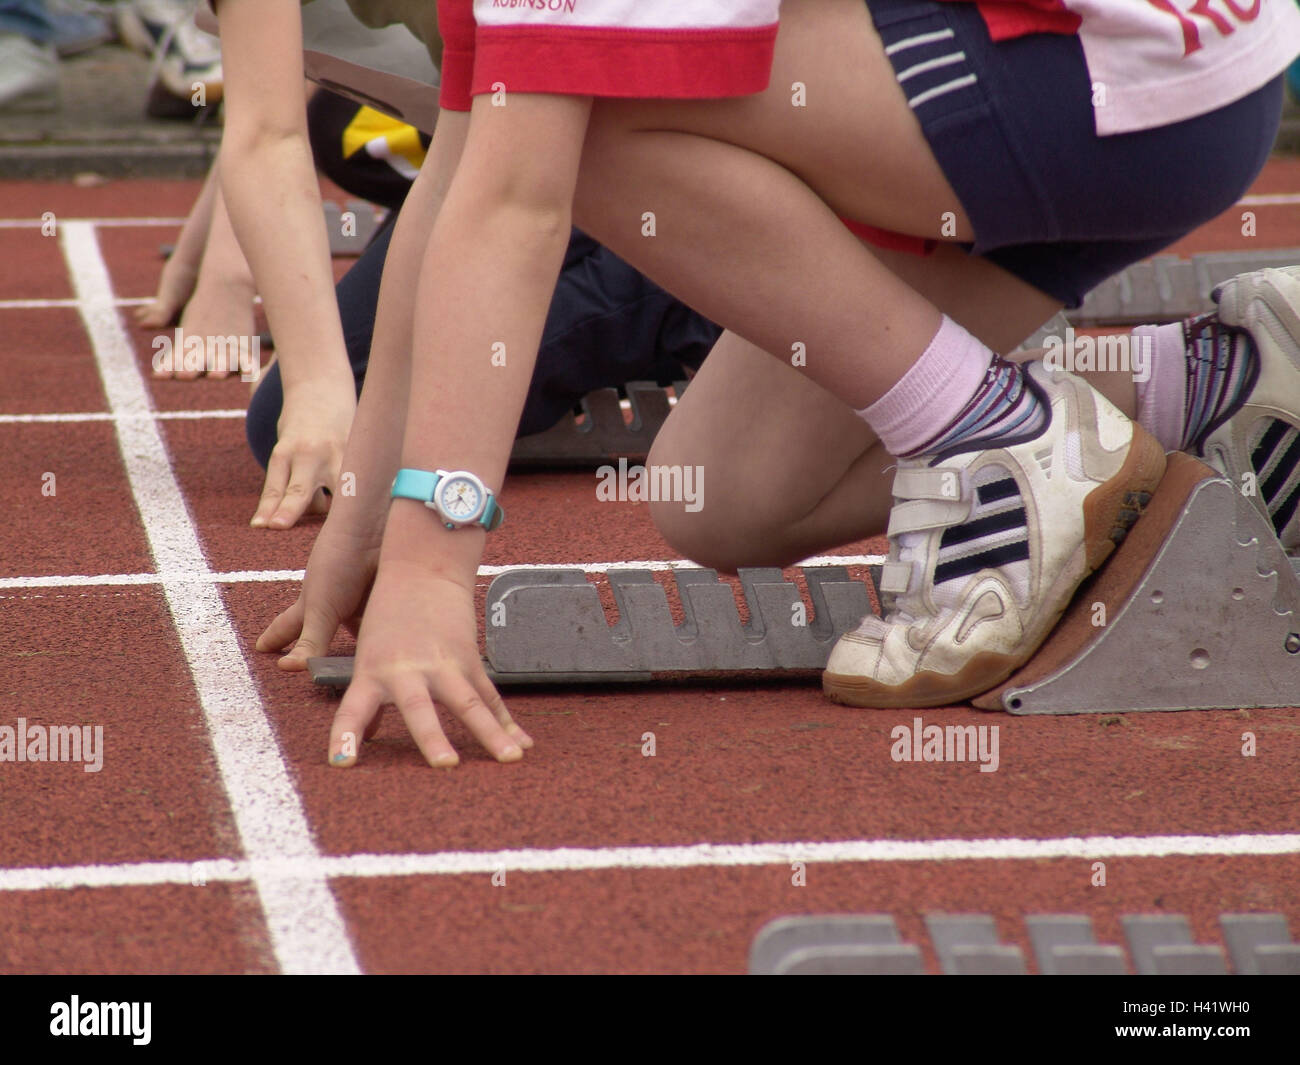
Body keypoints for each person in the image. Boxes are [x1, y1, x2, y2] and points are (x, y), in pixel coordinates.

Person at [209, 0, 1300, 768]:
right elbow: (457, 177)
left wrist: (432, 572)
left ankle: (988, 427)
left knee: (575, 110)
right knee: (722, 495)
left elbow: (513, 199)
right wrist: (367, 517)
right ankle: (1211, 381)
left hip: (1114, 73)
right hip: (1096, 84)